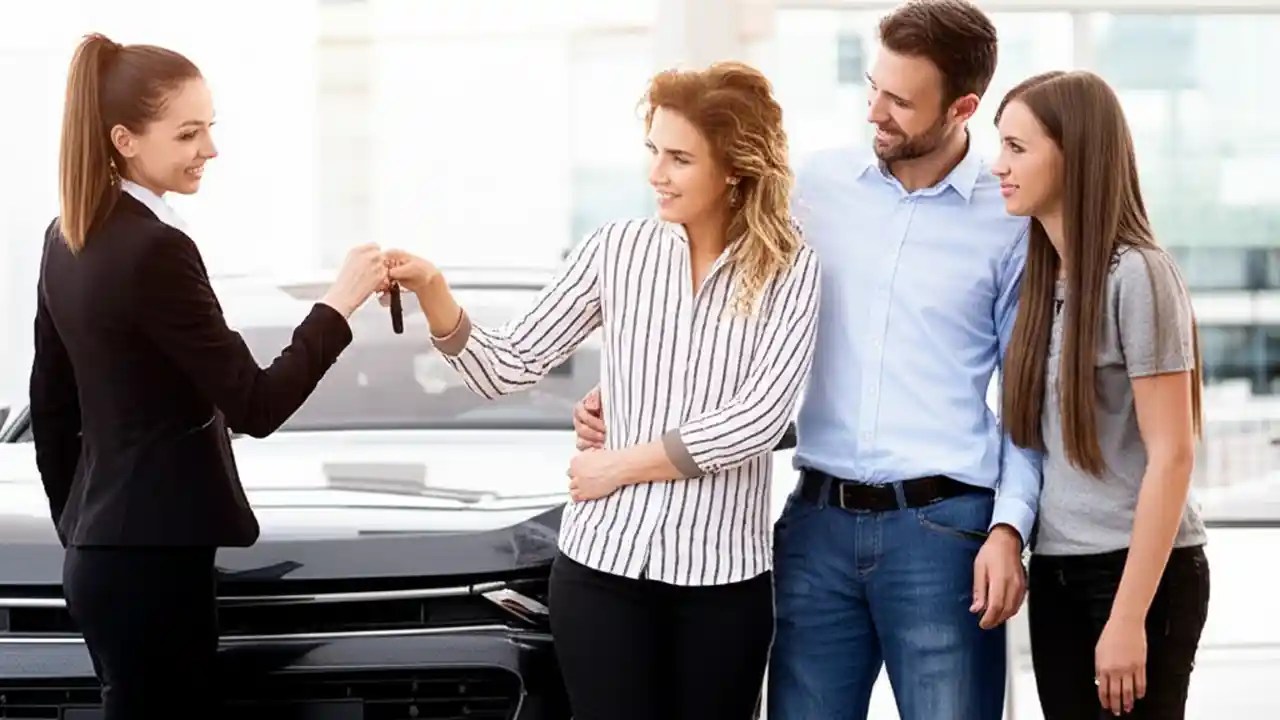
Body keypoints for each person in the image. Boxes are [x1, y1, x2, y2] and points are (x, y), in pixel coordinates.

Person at [574, 2, 1041, 717]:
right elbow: (722, 293)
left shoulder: (1005, 221)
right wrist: (637, 396)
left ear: (963, 108)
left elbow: (1026, 399)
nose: (875, 112)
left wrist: (1009, 528)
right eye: (873, 87)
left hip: (945, 534)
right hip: (816, 528)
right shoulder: (813, 191)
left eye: (901, 101)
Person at [382, 61, 820, 720]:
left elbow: (757, 420)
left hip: (723, 580)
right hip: (602, 572)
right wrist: (434, 291)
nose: (655, 173)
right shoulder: (615, 250)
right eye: (653, 150)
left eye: (679, 158)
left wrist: (618, 466)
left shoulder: (790, 268)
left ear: (734, 168)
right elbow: (508, 364)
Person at [29, 33, 387, 720]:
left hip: (105, 559)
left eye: (209, 128)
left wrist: (80, 528)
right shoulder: (155, 248)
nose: (210, 150)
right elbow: (255, 403)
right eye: (188, 133)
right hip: (151, 566)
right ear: (125, 140)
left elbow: (51, 406)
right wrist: (340, 303)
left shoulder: (64, 236)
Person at [992, 70, 1210, 719]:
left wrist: (1127, 618)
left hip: (1138, 576)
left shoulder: (1139, 274)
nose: (999, 165)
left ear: (1075, 153)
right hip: (1056, 570)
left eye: (1017, 148)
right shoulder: (1041, 278)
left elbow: (1173, 455)